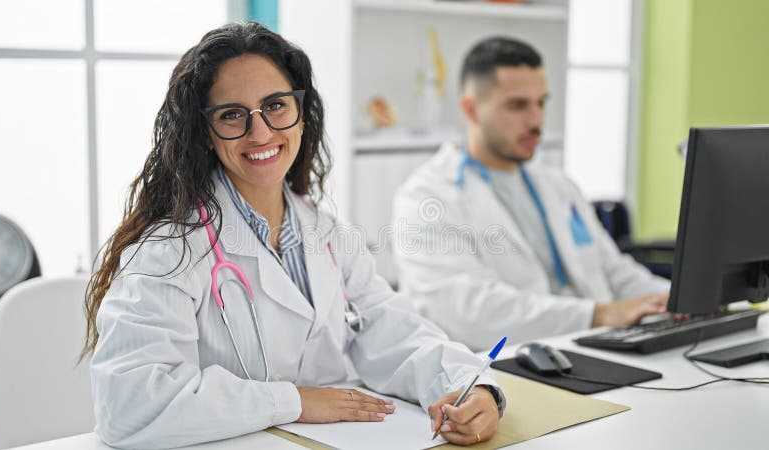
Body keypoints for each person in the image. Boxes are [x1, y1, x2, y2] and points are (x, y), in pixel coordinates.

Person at [82, 23, 503, 449]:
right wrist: (293, 401)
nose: (260, 132)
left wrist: (472, 387)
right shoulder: (169, 250)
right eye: (232, 115)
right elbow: (128, 404)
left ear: (302, 115)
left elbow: (396, 333)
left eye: (276, 106)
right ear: (205, 134)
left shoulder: (329, 235)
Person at [392, 37, 670, 351]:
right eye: (518, 105)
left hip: (600, 346)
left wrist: (672, 299)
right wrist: (598, 314)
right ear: (471, 109)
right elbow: (468, 312)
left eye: (541, 103)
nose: (536, 120)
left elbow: (613, 270)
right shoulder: (426, 197)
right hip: (508, 364)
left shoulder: (558, 185)